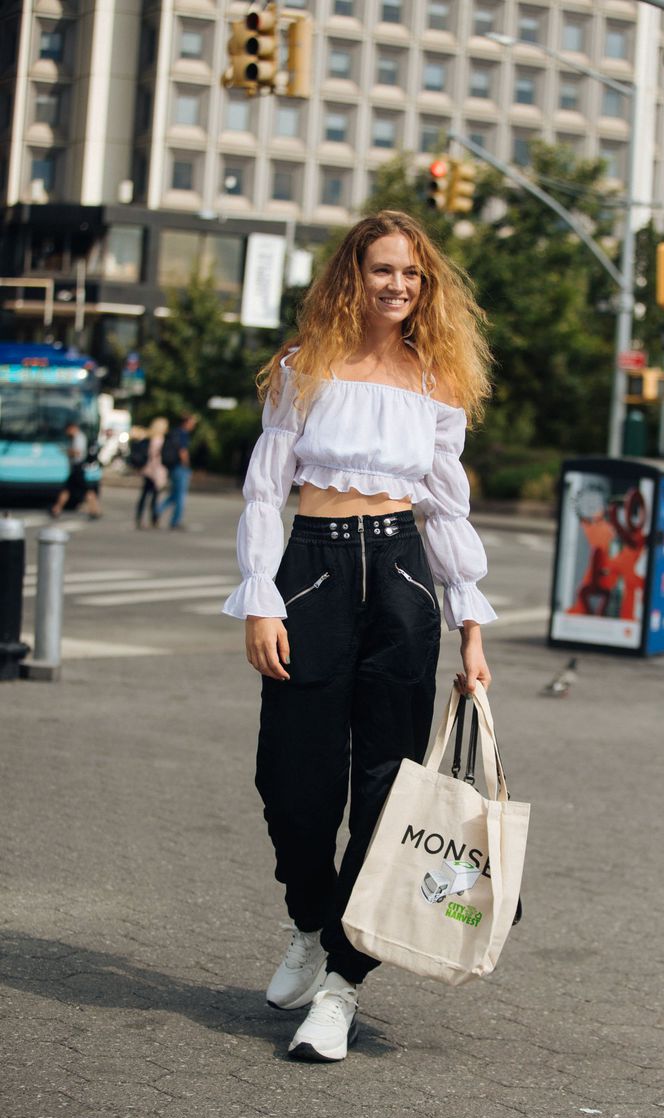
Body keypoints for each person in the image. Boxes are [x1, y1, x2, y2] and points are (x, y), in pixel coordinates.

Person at [223, 210, 496, 1063]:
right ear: (353, 275)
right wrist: (262, 597)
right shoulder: (304, 370)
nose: (398, 286)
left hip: (405, 575)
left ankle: (342, 982)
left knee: (387, 785)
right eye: (383, 270)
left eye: (412, 274)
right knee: (292, 782)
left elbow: (446, 505)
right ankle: (309, 920)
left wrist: (472, 627)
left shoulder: (433, 379)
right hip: (313, 571)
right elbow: (266, 490)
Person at [50, 420, 101, 519]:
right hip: (76, 469)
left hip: (78, 468)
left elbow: (78, 453)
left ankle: (95, 510)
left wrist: (66, 451)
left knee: (86, 490)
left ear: (72, 428)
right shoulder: (76, 438)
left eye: (67, 430)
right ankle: (57, 509)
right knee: (67, 489)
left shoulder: (79, 438)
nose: (66, 433)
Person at [154, 412, 197, 530]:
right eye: (192, 423)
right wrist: (187, 466)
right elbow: (182, 451)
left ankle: (157, 510)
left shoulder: (174, 432)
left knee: (174, 494)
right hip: (179, 467)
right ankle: (175, 521)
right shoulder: (183, 434)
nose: (193, 425)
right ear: (186, 423)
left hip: (172, 467)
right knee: (180, 496)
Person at [134, 417, 169, 529]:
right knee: (154, 496)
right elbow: (155, 458)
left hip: (147, 469)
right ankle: (154, 519)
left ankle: (139, 518)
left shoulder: (149, 438)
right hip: (155, 471)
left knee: (144, 495)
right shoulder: (159, 439)